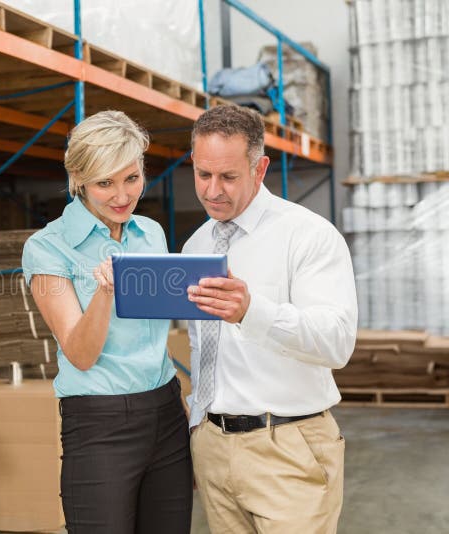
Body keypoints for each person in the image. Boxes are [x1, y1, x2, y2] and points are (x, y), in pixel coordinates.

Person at [182, 104, 358, 533]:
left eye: (228, 176)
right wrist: (197, 432)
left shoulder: (308, 236)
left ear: (260, 168)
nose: (212, 190)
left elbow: (337, 342)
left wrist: (251, 311)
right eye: (203, 174)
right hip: (211, 447)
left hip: (287, 446)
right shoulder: (194, 246)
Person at [21, 110, 192, 534]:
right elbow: (79, 354)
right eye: (105, 183)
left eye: (131, 178)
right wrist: (104, 293)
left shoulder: (150, 233)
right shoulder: (47, 248)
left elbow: (153, 333)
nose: (121, 195)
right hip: (100, 423)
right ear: (78, 178)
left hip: (166, 411)